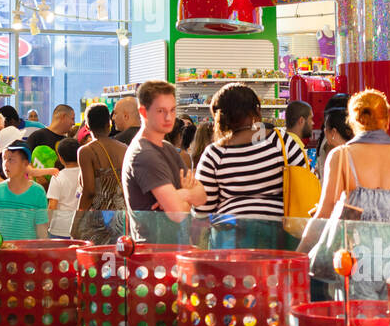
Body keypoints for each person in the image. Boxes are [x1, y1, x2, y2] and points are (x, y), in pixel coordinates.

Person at [311, 90, 390, 226]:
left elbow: (324, 215)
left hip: (354, 246)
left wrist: (303, 245)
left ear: (353, 121)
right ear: (387, 121)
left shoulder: (340, 156)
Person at [194, 82, 309, 222]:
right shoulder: (280, 141)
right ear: (255, 110)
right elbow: (304, 183)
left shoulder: (214, 154)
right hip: (279, 232)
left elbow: (204, 207)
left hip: (230, 235)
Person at [121, 81, 205, 242]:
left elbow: (201, 196)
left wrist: (182, 194)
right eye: (161, 111)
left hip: (172, 250)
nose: (168, 117)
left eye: (172, 110)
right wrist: (187, 197)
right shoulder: (144, 154)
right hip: (152, 256)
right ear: (143, 112)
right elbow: (178, 213)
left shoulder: (167, 148)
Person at [75, 103, 127, 243]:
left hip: (97, 221)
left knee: (94, 261)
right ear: (109, 124)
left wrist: (76, 222)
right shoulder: (125, 149)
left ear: (87, 126)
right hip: (121, 220)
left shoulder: (86, 151)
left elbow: (89, 191)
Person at [0, 143, 49, 240]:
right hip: (1, 251)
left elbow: (41, 230)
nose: (5, 163)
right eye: (3, 159)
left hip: (27, 252)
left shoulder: (38, 191)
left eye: (11, 159)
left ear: (25, 163)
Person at [45, 138, 82, 236]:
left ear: (60, 158)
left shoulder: (57, 177)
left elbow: (52, 205)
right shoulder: (85, 175)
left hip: (59, 227)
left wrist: (46, 225)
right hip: (79, 225)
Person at [315, 109, 352, 183]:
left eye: (326, 128)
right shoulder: (355, 151)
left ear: (333, 132)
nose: (324, 131)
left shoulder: (335, 155)